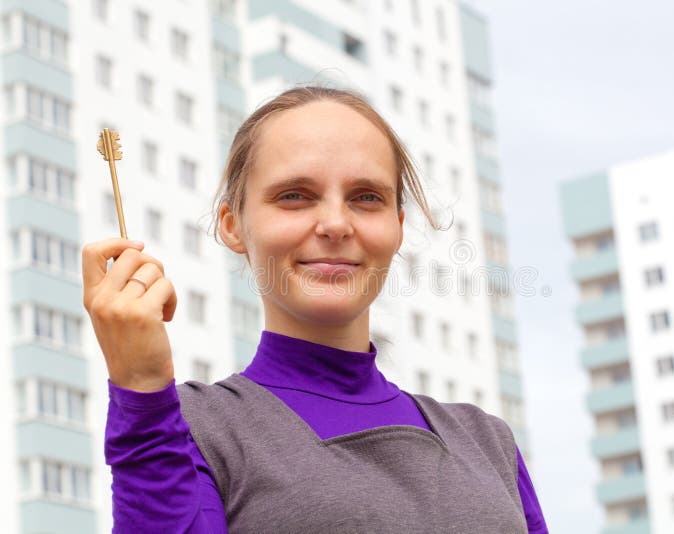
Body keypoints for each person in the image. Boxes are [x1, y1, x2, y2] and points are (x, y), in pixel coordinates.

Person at [83, 86, 548, 533]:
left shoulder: (489, 444)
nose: (335, 224)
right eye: (294, 196)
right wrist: (140, 386)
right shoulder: (187, 429)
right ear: (233, 225)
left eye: (367, 197)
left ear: (398, 226)